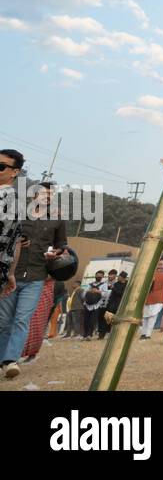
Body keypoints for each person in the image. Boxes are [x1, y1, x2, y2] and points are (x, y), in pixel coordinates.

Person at [0, 180, 68, 379]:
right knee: (4, 321)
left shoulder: (57, 219)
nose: (48, 197)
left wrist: (57, 252)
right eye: (44, 194)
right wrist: (17, 239)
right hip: (11, 273)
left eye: (51, 195)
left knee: (22, 319)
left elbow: (62, 244)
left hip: (37, 275)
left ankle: (10, 361)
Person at [0, 150, 23, 298]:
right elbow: (17, 242)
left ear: (15, 172)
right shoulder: (19, 205)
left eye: (1, 166)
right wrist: (11, 273)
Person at [140, 262, 163, 339]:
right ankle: (147, 335)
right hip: (159, 299)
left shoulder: (149, 274)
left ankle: (143, 334)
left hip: (148, 298)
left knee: (145, 316)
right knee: (152, 317)